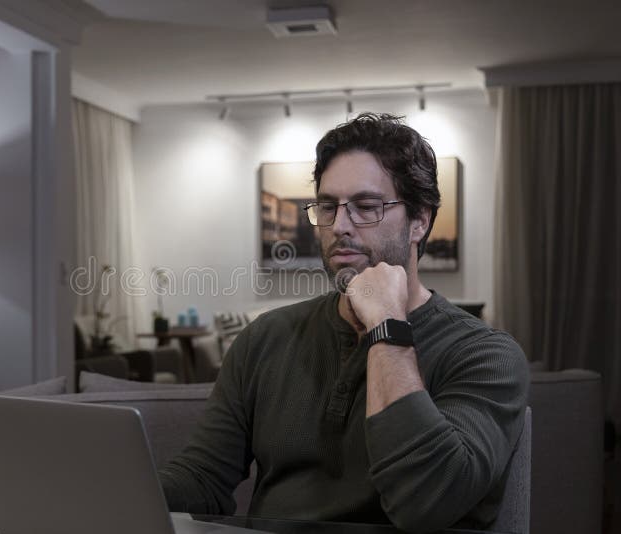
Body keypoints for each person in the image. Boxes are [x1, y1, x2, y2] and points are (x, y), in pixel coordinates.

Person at [159, 113, 529, 533]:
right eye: (328, 206)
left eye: (367, 207)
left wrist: (386, 326)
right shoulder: (265, 337)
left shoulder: (485, 355)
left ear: (420, 221)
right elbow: (204, 478)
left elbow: (428, 503)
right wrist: (109, 493)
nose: (339, 226)